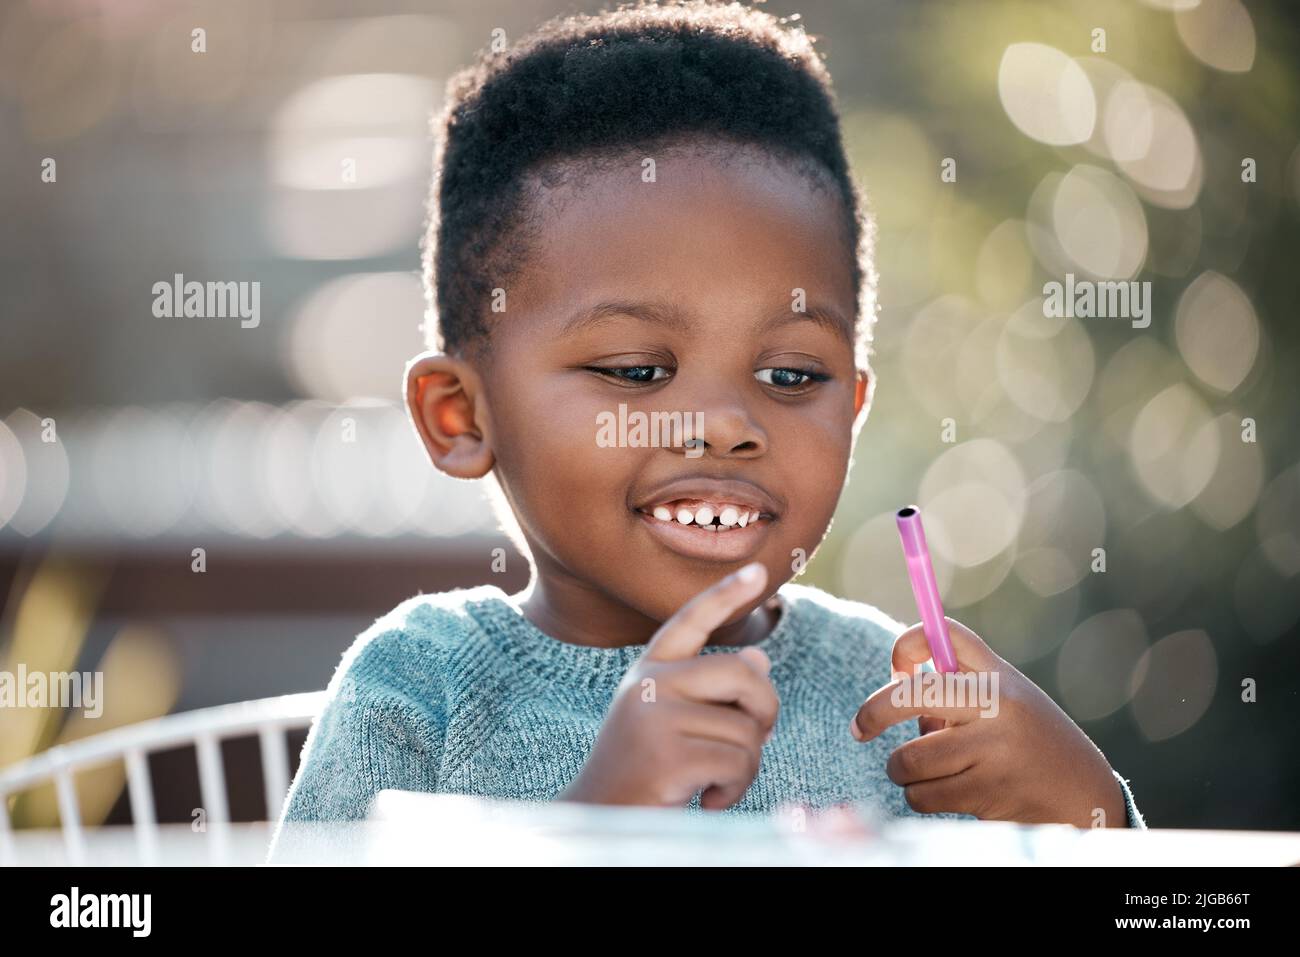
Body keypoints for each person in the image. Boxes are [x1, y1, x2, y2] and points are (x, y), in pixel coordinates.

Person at [269, 0, 1144, 856]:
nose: (725, 425)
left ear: (853, 409)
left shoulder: (907, 701)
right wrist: (594, 821)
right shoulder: (421, 690)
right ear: (460, 416)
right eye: (636, 371)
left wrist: (1089, 812)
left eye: (792, 376)